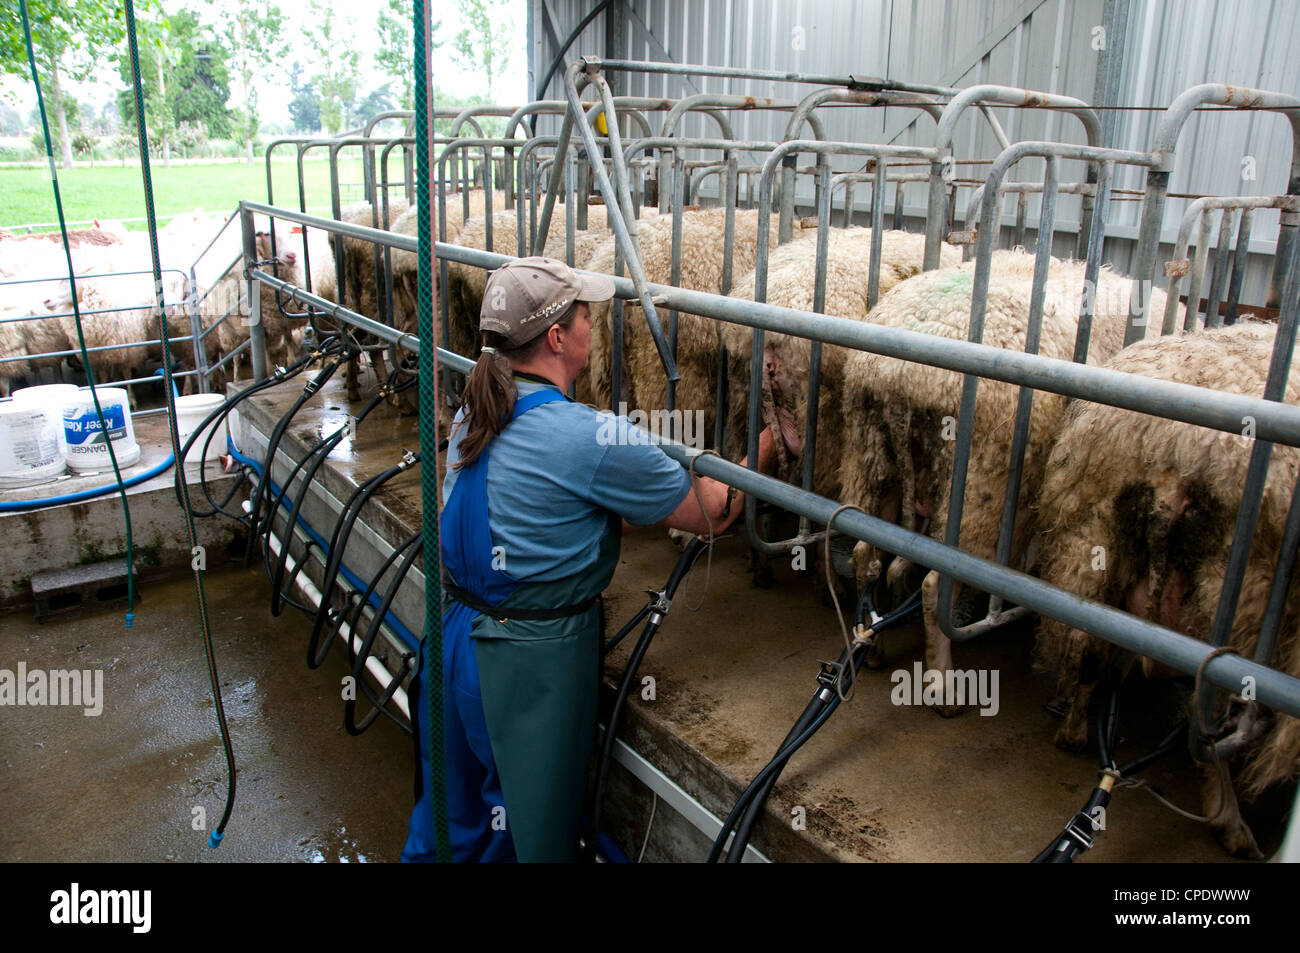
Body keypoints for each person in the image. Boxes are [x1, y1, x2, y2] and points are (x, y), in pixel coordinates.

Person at [402, 256, 790, 863]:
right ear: (558, 338)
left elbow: (583, 502)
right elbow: (713, 511)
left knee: (451, 825)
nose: (594, 327)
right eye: (587, 316)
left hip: (452, 639)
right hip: (528, 663)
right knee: (529, 838)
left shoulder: (474, 407)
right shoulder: (592, 435)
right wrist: (769, 443)